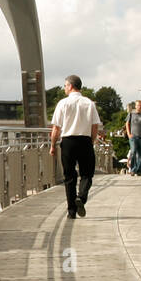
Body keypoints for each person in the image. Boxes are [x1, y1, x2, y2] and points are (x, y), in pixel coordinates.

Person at [49, 75, 102, 219]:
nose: (64, 88)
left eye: (65, 85)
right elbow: (95, 125)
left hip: (67, 142)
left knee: (69, 177)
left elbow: (56, 128)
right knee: (87, 174)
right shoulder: (89, 103)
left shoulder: (62, 103)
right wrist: (91, 141)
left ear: (71, 86)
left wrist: (53, 145)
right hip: (84, 141)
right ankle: (82, 197)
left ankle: (71, 211)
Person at [124, 100, 141, 177]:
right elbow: (127, 124)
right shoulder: (131, 114)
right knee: (133, 152)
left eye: (140, 106)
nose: (139, 107)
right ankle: (133, 169)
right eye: (138, 105)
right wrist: (129, 134)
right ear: (135, 106)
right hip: (133, 137)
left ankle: (138, 170)